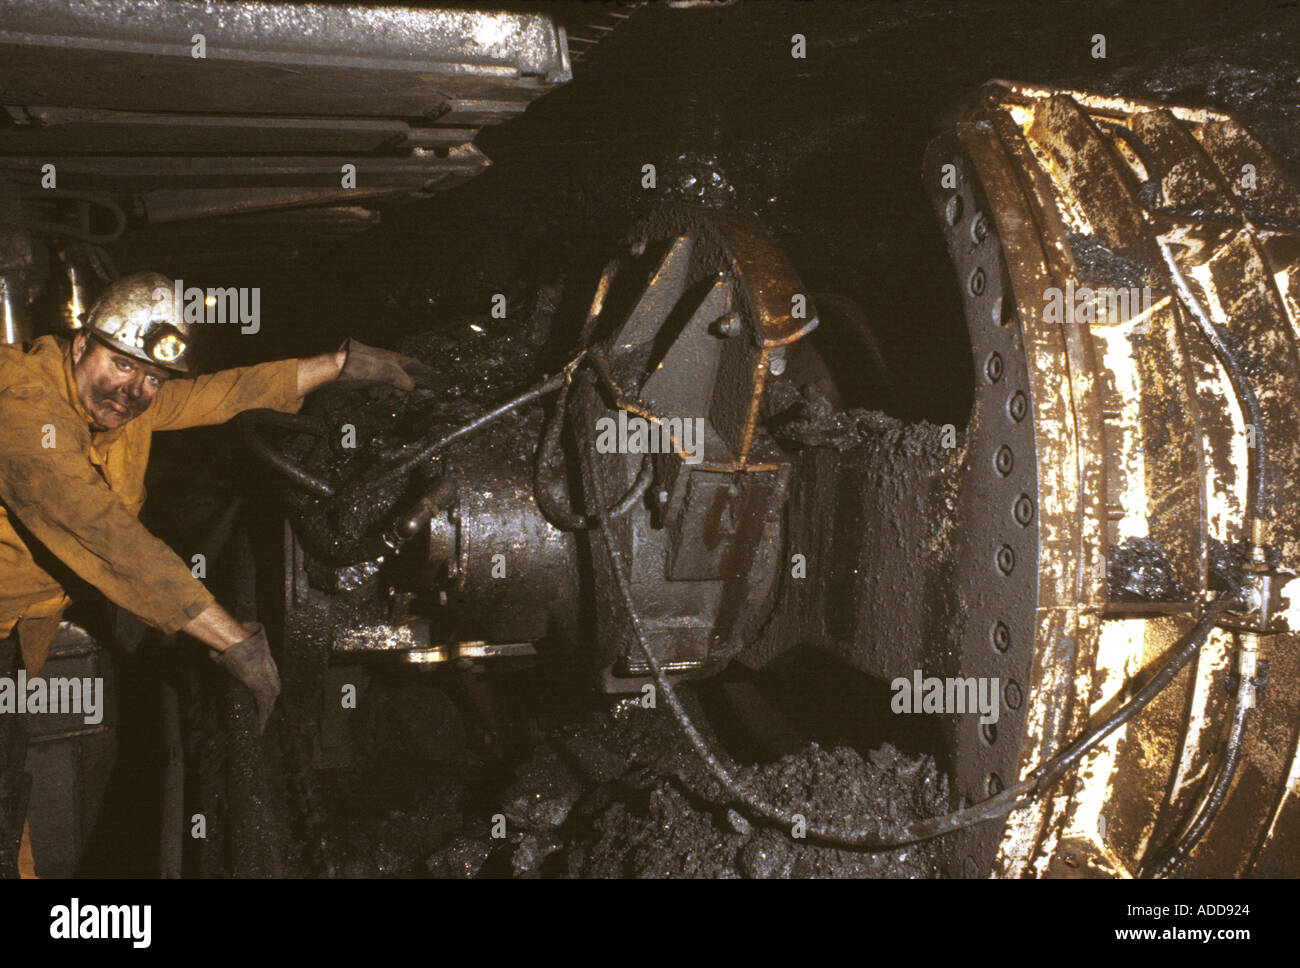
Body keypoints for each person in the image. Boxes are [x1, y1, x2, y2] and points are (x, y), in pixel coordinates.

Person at [0, 270, 430, 877]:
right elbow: (108, 538)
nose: (135, 391)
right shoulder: (20, 408)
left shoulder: (116, 405)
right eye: (123, 366)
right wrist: (235, 644)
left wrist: (338, 364)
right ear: (79, 345)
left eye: (152, 377)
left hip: (18, 628)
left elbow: (222, 393)